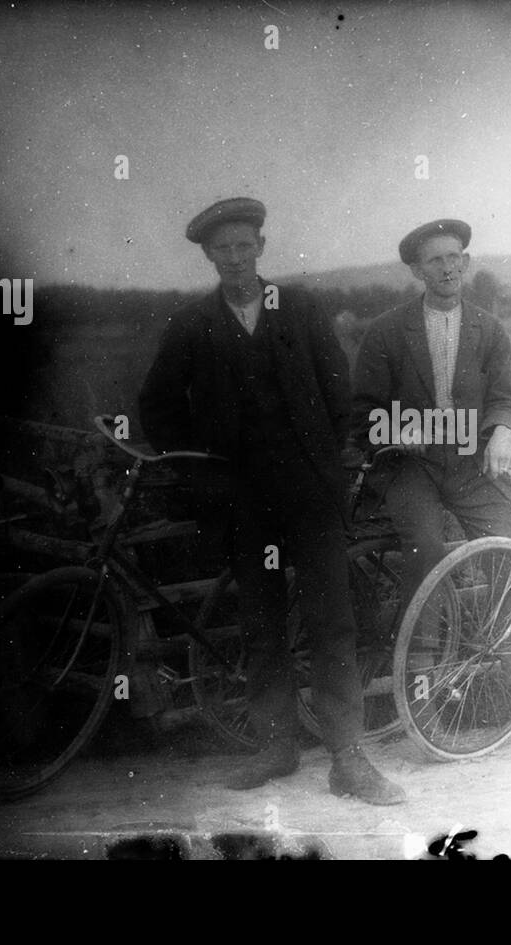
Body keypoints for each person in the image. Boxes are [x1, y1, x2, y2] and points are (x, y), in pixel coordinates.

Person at [139, 197, 405, 804]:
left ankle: (348, 756)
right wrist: (202, 473)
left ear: (261, 248)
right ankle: (276, 746)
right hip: (241, 502)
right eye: (222, 250)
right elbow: (157, 406)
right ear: (209, 256)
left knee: (331, 620)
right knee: (261, 623)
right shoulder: (192, 324)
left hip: (309, 495)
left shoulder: (301, 308)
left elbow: (339, 390)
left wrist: (333, 464)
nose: (234, 259)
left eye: (244, 247)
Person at [352, 218, 511, 740]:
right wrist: (404, 430)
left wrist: (503, 433)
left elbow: (505, 397)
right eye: (435, 260)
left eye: (455, 257)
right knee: (424, 551)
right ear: (418, 270)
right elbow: (362, 412)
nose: (447, 267)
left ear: (466, 263)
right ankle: (425, 704)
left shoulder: (488, 328)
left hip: (468, 465)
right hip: (409, 467)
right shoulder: (386, 331)